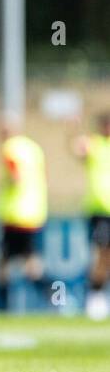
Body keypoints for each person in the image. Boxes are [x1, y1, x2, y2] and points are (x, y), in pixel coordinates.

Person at [0, 122, 47, 313]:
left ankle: (2, 309)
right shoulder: (34, 149)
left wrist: (1, 183)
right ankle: (58, 298)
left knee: (3, 267)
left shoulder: (10, 147)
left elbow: (15, 176)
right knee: (32, 266)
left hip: (15, 215)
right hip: (35, 214)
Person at [71, 113, 110, 320]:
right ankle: (95, 297)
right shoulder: (96, 145)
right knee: (101, 254)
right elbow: (78, 149)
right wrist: (75, 130)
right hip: (101, 211)